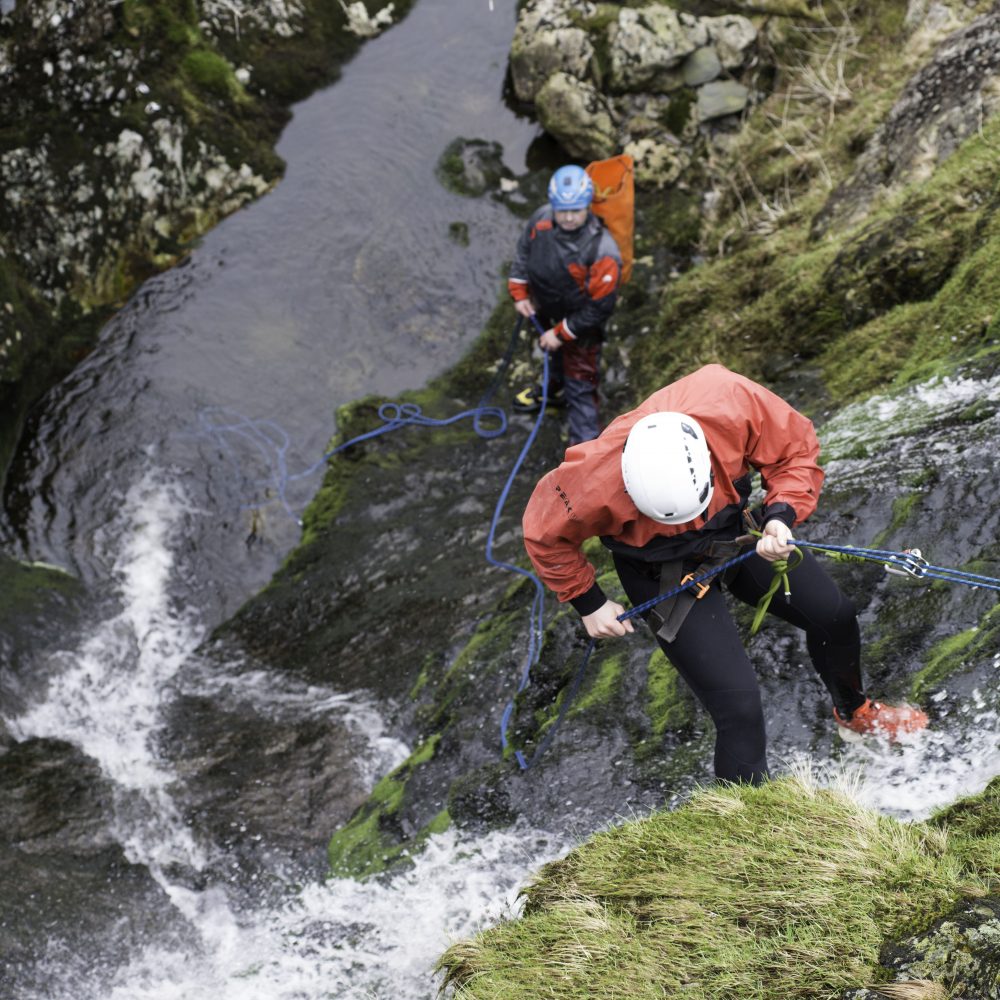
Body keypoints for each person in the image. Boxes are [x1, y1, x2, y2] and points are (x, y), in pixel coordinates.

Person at [521, 363, 928, 785]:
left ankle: (854, 711)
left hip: (738, 531)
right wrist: (588, 602)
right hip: (659, 568)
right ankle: (748, 823)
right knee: (739, 708)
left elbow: (794, 449)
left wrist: (781, 515)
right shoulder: (588, 480)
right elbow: (544, 534)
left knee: (834, 616)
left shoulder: (729, 401)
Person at [508, 164, 622, 446]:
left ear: (588, 206)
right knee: (553, 356)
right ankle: (554, 390)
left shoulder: (603, 252)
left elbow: (599, 309)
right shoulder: (541, 220)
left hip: (581, 326)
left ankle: (585, 453)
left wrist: (560, 334)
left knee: (581, 385)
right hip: (546, 307)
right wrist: (519, 291)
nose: (569, 217)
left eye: (576, 210)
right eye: (563, 210)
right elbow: (524, 251)